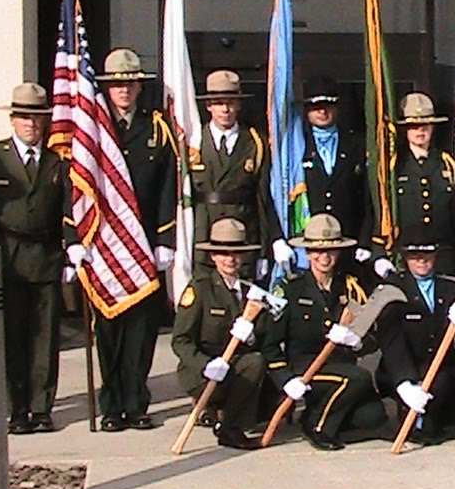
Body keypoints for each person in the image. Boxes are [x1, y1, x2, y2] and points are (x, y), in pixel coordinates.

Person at [71, 48, 177, 432]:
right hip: (104, 247)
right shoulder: (93, 128)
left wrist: (165, 238)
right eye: (117, 84)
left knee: (142, 331)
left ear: (138, 87)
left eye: (129, 84)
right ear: (107, 88)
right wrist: (75, 238)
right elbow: (77, 185)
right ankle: (111, 405)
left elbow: (168, 185)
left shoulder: (155, 128)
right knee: (109, 332)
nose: (123, 91)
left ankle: (136, 402)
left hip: (144, 244)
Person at [0, 83, 67, 434]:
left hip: (45, 256)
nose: (31, 125)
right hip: (8, 260)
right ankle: (17, 409)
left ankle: (42, 407)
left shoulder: (57, 161)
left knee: (44, 338)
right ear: (13, 120)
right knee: (12, 337)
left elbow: (67, 211)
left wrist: (70, 251)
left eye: (37, 119)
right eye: (24, 118)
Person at [262, 214, 386, 451]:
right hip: (307, 370)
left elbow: (373, 338)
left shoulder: (350, 287)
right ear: (307, 253)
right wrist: (285, 379)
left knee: (374, 416)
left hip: (341, 366)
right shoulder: (290, 289)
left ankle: (317, 412)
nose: (324, 257)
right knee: (358, 378)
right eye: (317, 251)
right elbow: (270, 345)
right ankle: (318, 426)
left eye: (331, 250)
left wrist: (356, 342)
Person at [375, 224, 455, 443]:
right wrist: (404, 383)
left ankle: (441, 415)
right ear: (406, 258)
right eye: (415, 255)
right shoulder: (393, 289)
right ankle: (418, 415)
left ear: (435, 255)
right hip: (410, 367)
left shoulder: (450, 287)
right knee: (425, 430)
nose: (421, 260)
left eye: (426, 254)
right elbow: (391, 341)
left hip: (445, 366)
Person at [171, 218, 267, 450]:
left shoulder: (250, 292)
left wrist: (251, 335)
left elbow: (263, 338)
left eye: (235, 253)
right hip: (203, 372)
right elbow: (180, 340)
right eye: (223, 253)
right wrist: (205, 364)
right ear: (213, 256)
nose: (230, 259)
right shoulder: (200, 289)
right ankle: (221, 416)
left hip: (237, 365)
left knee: (256, 363)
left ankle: (230, 427)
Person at [191, 70, 287, 276]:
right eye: (218, 103)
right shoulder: (193, 140)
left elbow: (262, 198)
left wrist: (266, 247)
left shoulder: (255, 142)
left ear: (239, 105)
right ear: (208, 106)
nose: (225, 109)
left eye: (231, 102)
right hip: (203, 234)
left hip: (243, 236)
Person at [299, 76, 376, 272]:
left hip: (348, 240)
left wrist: (365, 240)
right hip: (310, 245)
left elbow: (367, 198)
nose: (323, 112)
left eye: (328, 105)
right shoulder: (297, 147)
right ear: (307, 111)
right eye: (316, 107)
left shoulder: (356, 144)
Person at [391, 92, 455, 275]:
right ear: (405, 129)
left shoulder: (446, 162)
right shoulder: (395, 165)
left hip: (443, 254)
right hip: (408, 256)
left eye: (425, 125)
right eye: (414, 126)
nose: (420, 131)